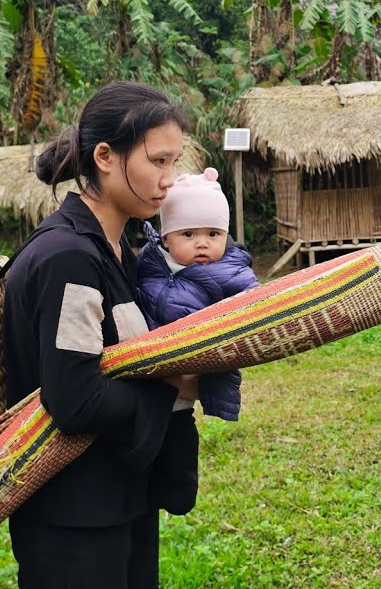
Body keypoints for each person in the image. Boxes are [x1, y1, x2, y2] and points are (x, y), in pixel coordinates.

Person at [1, 80, 197, 588]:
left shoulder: (118, 251)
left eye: (173, 163)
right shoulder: (68, 257)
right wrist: (175, 387)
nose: (169, 179)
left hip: (116, 498)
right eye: (157, 161)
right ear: (105, 157)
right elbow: (74, 397)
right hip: (73, 519)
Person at [134, 166, 260, 515]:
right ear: (167, 238)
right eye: (188, 233)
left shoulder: (232, 271)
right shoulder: (149, 262)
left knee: (179, 456)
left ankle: (177, 493)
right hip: (146, 384)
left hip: (191, 382)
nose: (202, 243)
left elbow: (258, 307)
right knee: (143, 454)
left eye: (213, 233)